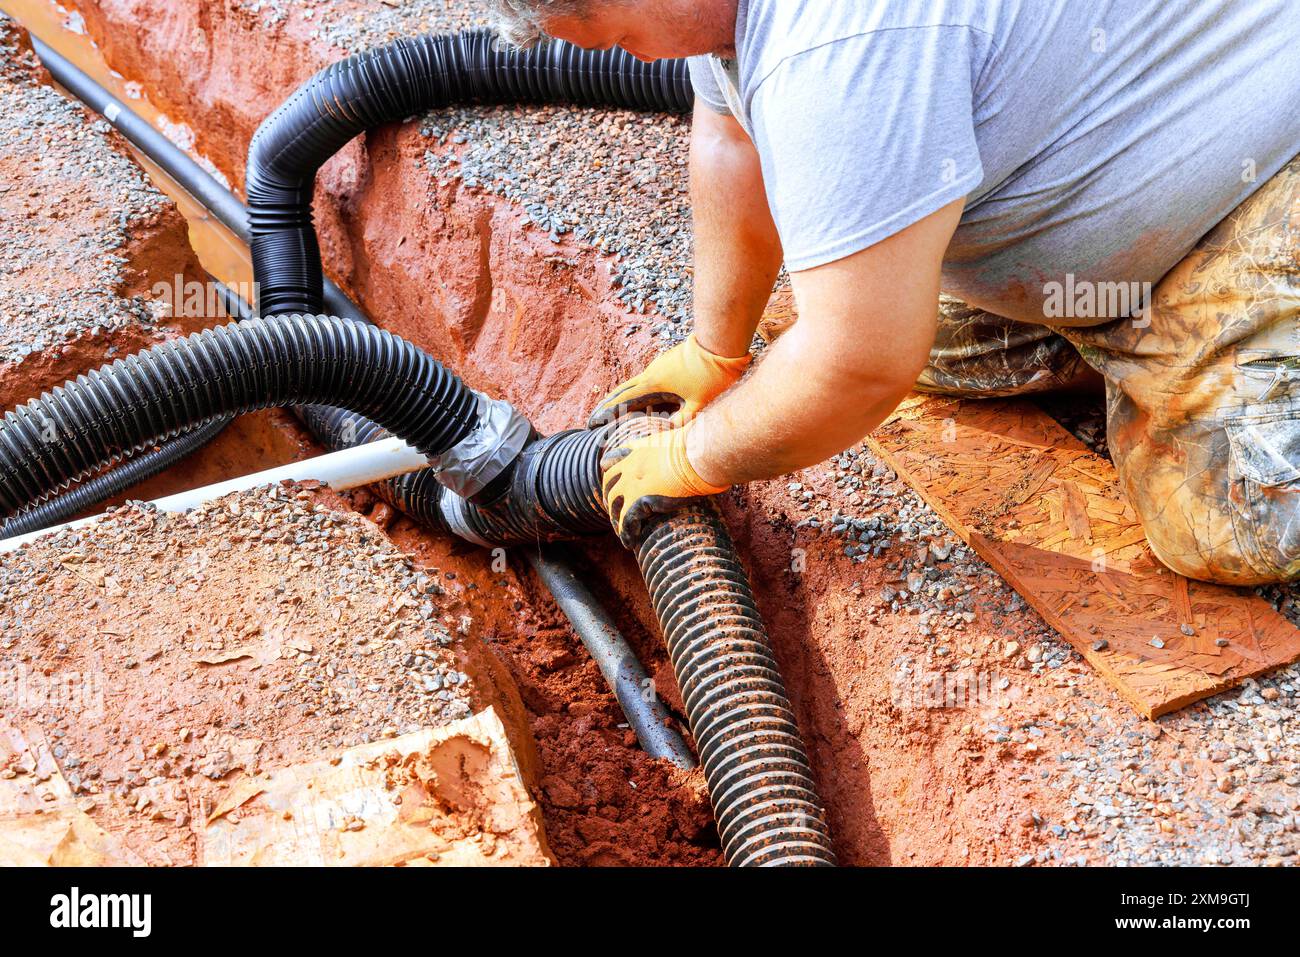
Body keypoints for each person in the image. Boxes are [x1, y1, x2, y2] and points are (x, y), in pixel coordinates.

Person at [491, 0, 1300, 585]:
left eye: (606, 31)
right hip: (1124, 189)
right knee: (837, 308)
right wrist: (716, 345)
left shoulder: (841, 48)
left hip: (1259, 180)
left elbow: (858, 362)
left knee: (1236, 516)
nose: (625, 56)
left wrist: (694, 455)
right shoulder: (725, 17)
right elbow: (733, 138)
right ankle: (1132, 335)